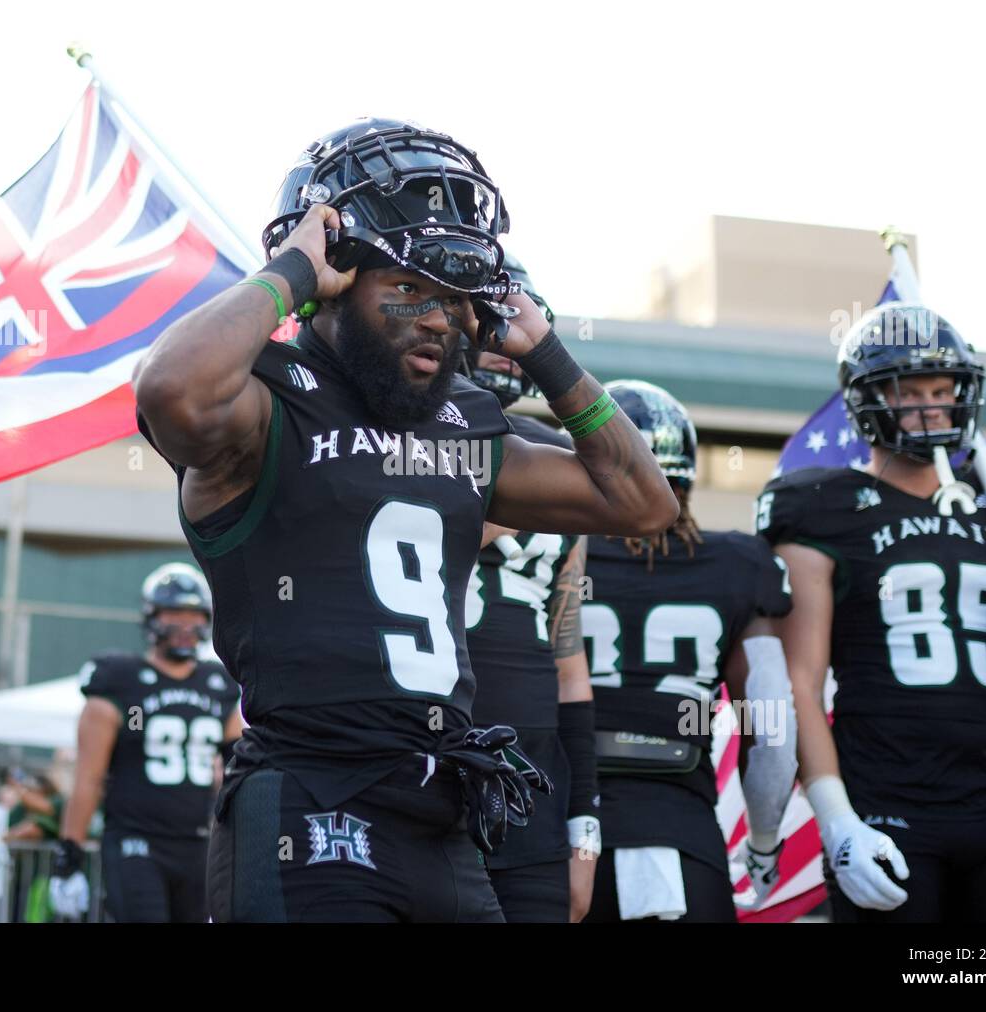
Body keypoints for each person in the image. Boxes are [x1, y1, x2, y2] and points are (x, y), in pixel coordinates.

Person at [133, 119, 678, 923]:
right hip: (311, 799)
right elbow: (168, 389)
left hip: (441, 816)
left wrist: (546, 352)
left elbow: (644, 504)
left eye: (455, 297)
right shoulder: (267, 402)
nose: (439, 318)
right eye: (409, 287)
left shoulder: (464, 419)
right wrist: (289, 271)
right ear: (335, 273)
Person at [758, 302, 986, 922]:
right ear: (868, 400)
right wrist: (837, 822)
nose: (933, 407)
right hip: (887, 799)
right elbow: (800, 678)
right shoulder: (824, 504)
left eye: (943, 389)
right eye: (911, 392)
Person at [579, 381, 796, 922]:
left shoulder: (553, 551)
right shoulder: (737, 562)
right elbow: (772, 730)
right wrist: (765, 841)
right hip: (680, 830)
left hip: (560, 829)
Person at [462, 255, 600, 923]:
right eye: (482, 321)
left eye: (508, 325)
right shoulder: (392, 440)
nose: (498, 342)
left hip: (532, 787)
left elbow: (570, 670)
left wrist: (584, 831)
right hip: (420, 772)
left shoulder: (554, 453)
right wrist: (525, 499)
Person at [48, 563, 241, 923]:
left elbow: (240, 772)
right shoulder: (120, 678)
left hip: (199, 843)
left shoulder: (220, 684)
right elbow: (88, 778)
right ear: (151, 617)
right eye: (173, 613)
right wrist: (69, 854)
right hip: (135, 842)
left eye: (193, 614)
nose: (184, 625)